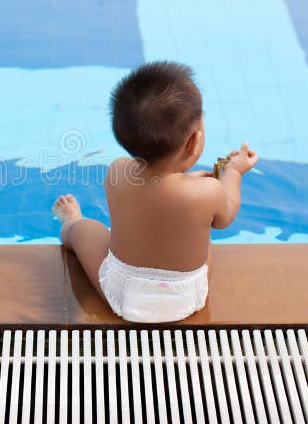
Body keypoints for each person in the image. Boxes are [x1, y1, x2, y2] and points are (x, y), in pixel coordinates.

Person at [53, 61, 257, 322]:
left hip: (125, 296)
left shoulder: (117, 172)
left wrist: (184, 182)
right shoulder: (208, 192)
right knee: (202, 231)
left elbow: (154, 196)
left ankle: (70, 223)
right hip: (187, 298)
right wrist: (234, 173)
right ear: (194, 142)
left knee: (88, 230)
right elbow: (226, 212)